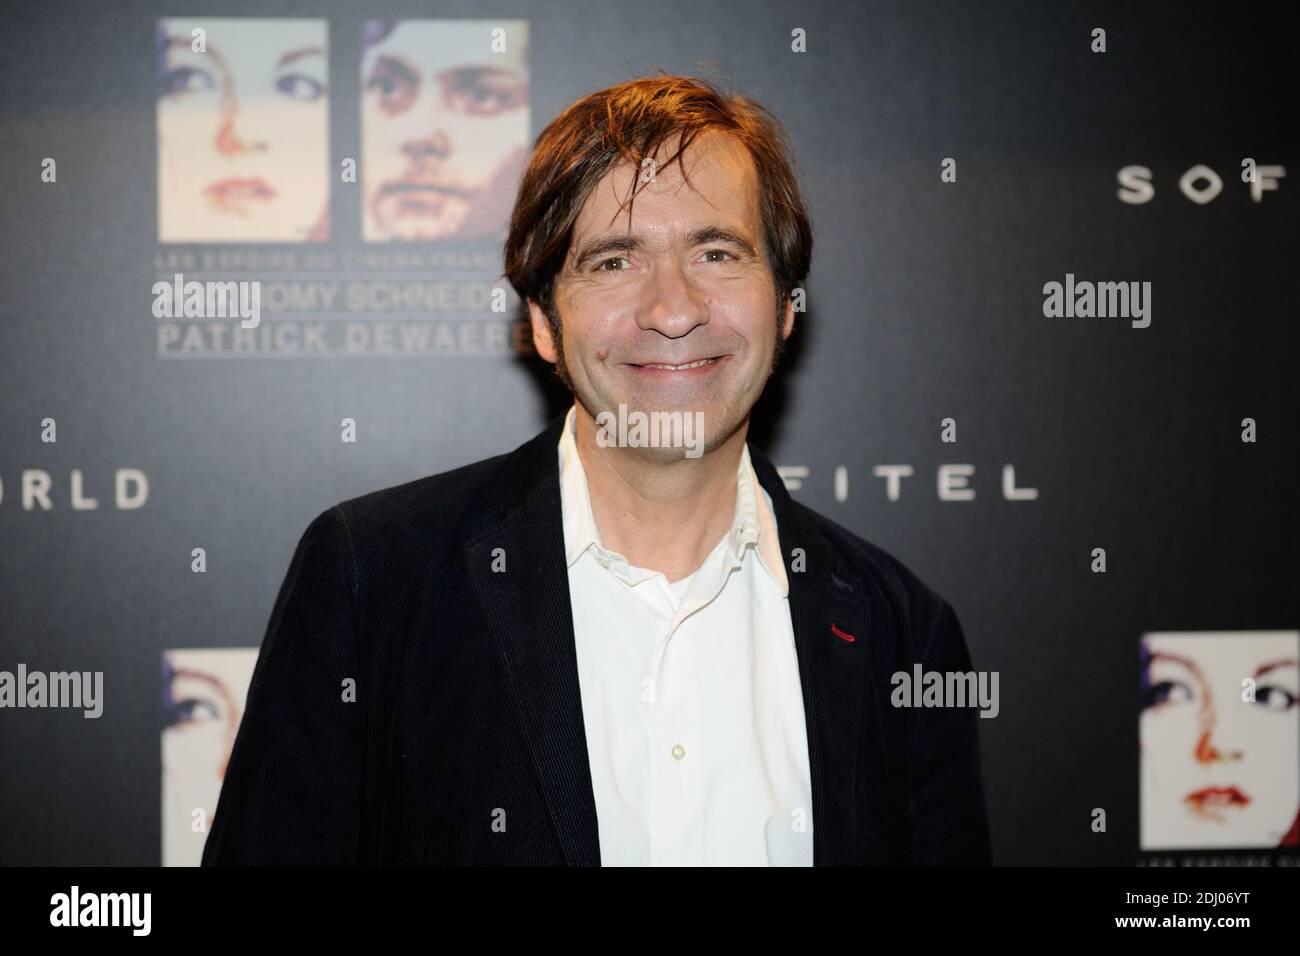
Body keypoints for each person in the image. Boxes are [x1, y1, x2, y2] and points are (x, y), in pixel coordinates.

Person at [202, 74, 993, 866]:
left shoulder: (903, 633)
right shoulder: (373, 580)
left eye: (716, 253)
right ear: (544, 321)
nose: (674, 309)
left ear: (786, 304)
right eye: (615, 262)